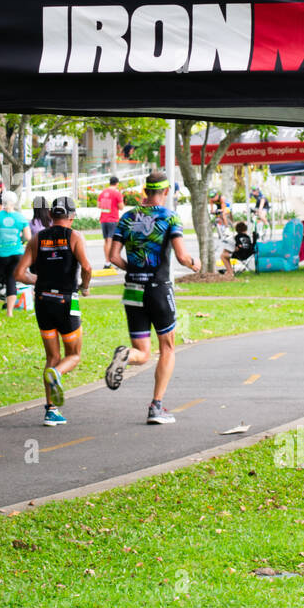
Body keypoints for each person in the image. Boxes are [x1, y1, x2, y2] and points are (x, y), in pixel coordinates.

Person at [102, 171, 199, 424]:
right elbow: (181, 256)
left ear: (146, 190)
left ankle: (125, 354)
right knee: (167, 347)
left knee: (142, 352)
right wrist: (194, 264)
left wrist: (133, 270)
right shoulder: (169, 218)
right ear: (165, 192)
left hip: (133, 288)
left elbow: (112, 257)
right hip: (158, 288)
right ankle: (156, 407)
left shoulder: (126, 218)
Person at [16, 195, 93, 426]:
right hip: (67, 301)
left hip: (42, 300)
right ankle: (58, 374)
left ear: (51, 215)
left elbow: (19, 273)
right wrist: (85, 286)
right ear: (72, 216)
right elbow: (87, 267)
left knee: (52, 356)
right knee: (74, 354)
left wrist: (39, 280)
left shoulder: (38, 238)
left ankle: (51, 410)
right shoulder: (75, 237)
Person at [0, 191, 29, 317]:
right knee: (11, 280)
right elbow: (28, 236)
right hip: (17, 253)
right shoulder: (21, 217)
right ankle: (9, 312)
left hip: (0, 254)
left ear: (2, 202)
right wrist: (19, 239)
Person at [98, 176, 123, 243]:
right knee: (110, 240)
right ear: (117, 183)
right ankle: (110, 254)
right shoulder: (117, 193)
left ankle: (106, 254)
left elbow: (99, 205)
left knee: (106, 241)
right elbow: (121, 207)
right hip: (113, 219)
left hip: (103, 219)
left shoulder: (103, 193)